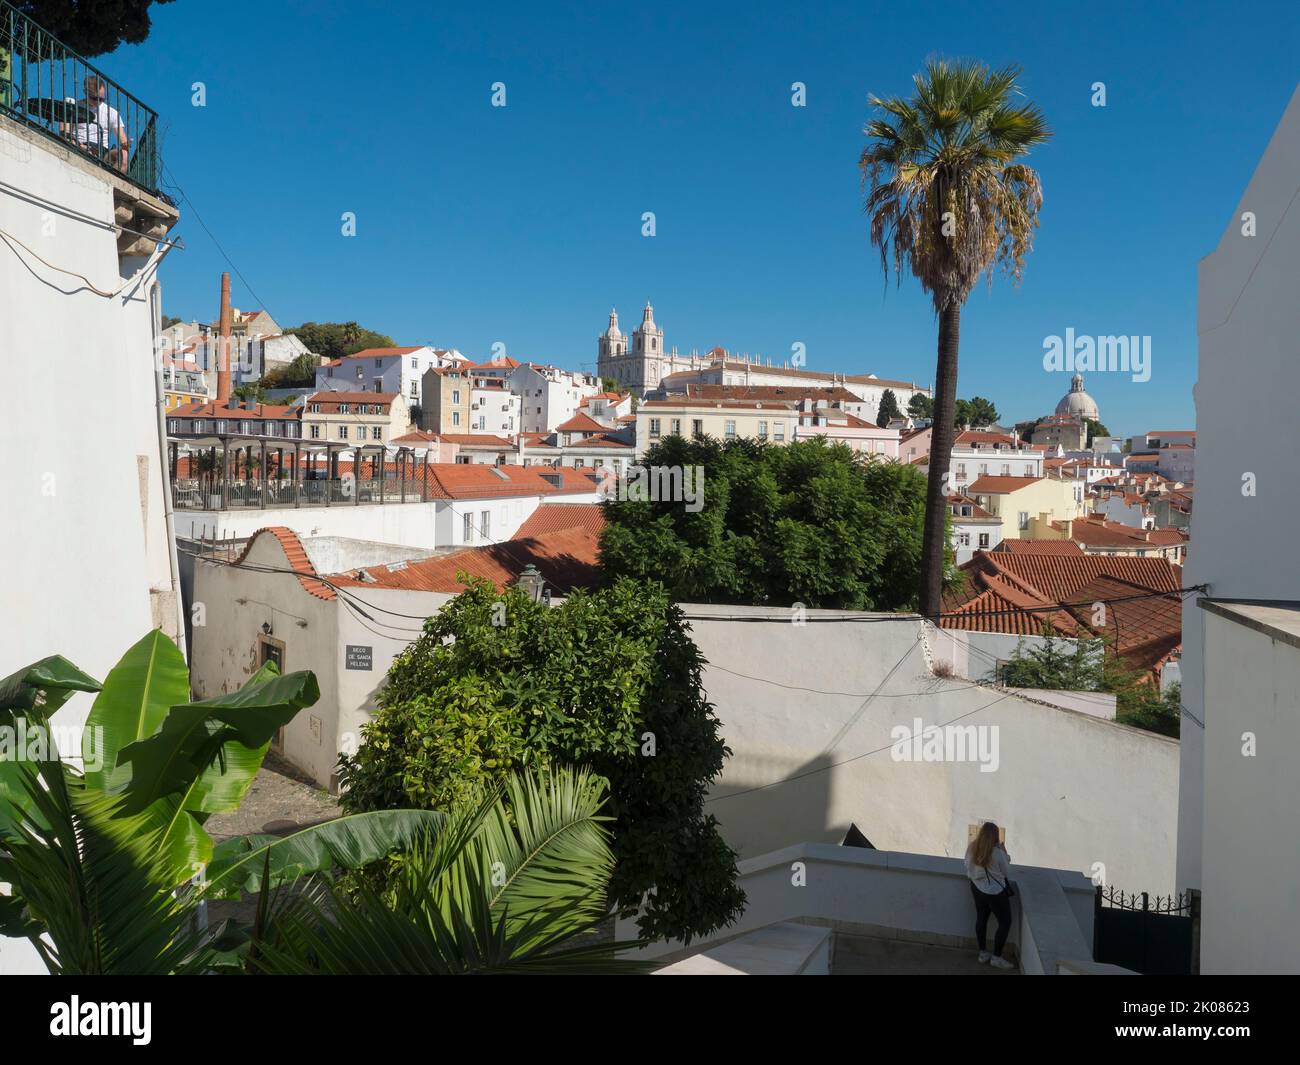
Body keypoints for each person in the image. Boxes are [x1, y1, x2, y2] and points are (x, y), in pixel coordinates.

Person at [965, 821, 1015, 969]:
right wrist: (1005, 853)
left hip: (977, 888)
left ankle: (983, 953)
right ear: (994, 836)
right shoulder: (998, 853)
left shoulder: (972, 848)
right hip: (995, 893)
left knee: (981, 918)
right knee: (1005, 922)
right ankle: (997, 957)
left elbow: (967, 866)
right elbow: (1006, 872)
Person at [66, 76, 130, 171]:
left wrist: (126, 144)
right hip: (79, 145)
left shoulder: (111, 112)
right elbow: (65, 132)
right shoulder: (75, 106)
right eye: (95, 98)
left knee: (121, 155)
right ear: (85, 93)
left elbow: (122, 138)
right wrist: (77, 144)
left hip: (101, 151)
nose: (98, 102)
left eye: (102, 99)